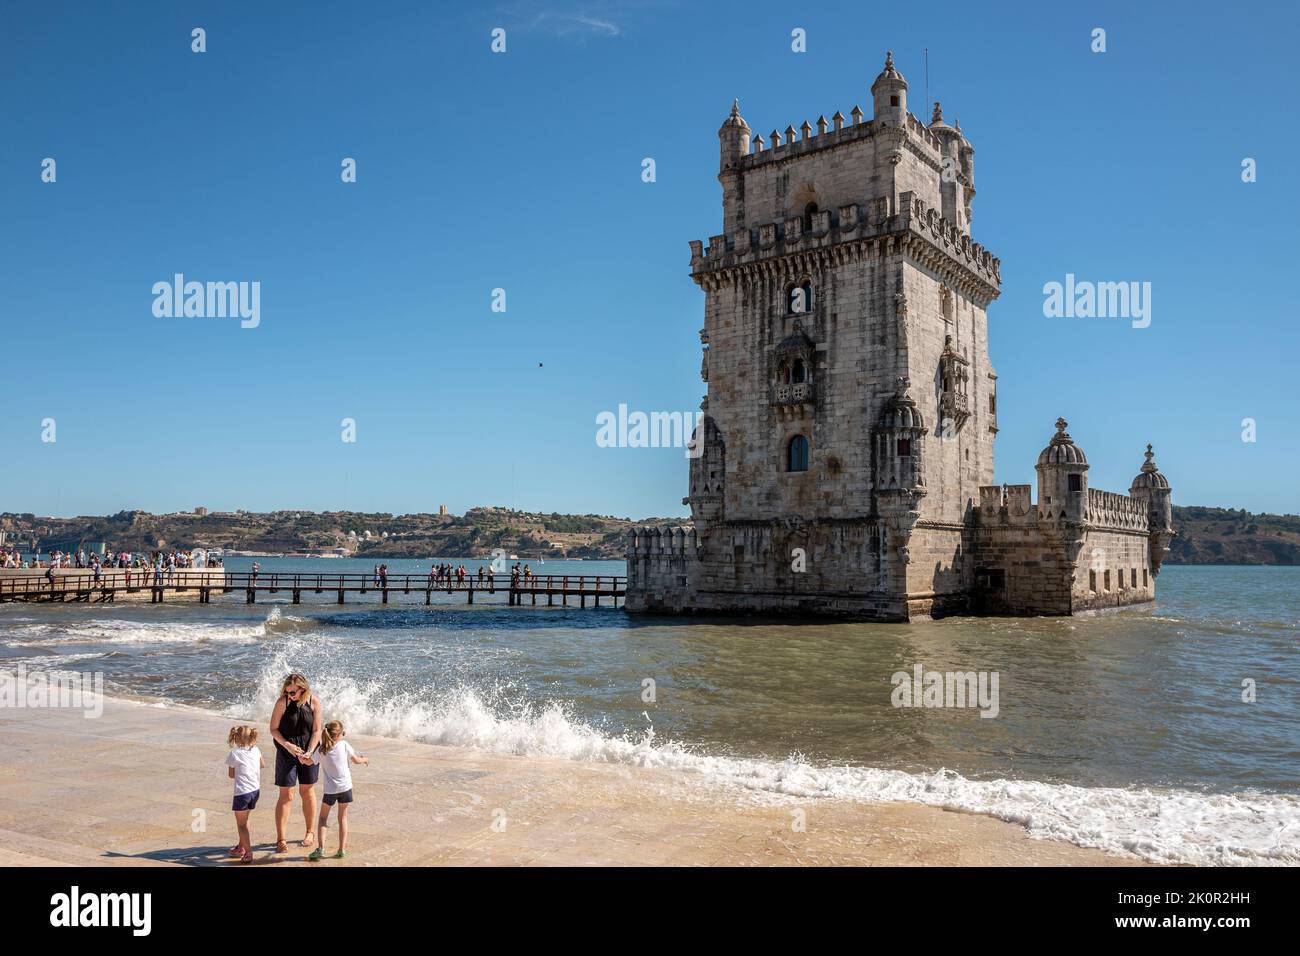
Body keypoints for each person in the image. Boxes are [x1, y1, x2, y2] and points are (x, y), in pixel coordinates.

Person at [269, 673, 323, 853]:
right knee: (287, 795)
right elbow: (273, 729)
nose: (289, 695)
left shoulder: (314, 702)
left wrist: (310, 751)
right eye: (287, 692)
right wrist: (288, 745)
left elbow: (316, 730)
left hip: (309, 753)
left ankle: (309, 832)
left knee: (307, 791)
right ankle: (281, 839)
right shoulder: (282, 702)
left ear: (303, 689)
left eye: (293, 692)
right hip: (286, 752)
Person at [307, 721, 369, 861]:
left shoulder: (321, 750)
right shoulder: (344, 745)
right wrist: (365, 759)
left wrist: (301, 756)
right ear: (339, 735)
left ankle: (321, 848)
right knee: (343, 818)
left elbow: (308, 762)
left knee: (323, 818)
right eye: (343, 733)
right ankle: (341, 849)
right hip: (346, 788)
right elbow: (356, 760)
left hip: (330, 790)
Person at [225, 725, 265, 864]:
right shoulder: (256, 750)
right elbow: (262, 764)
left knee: (241, 824)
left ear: (235, 738)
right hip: (255, 790)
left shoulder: (234, 753)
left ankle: (248, 852)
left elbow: (231, 775)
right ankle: (241, 846)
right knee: (245, 820)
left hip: (242, 792)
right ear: (252, 737)